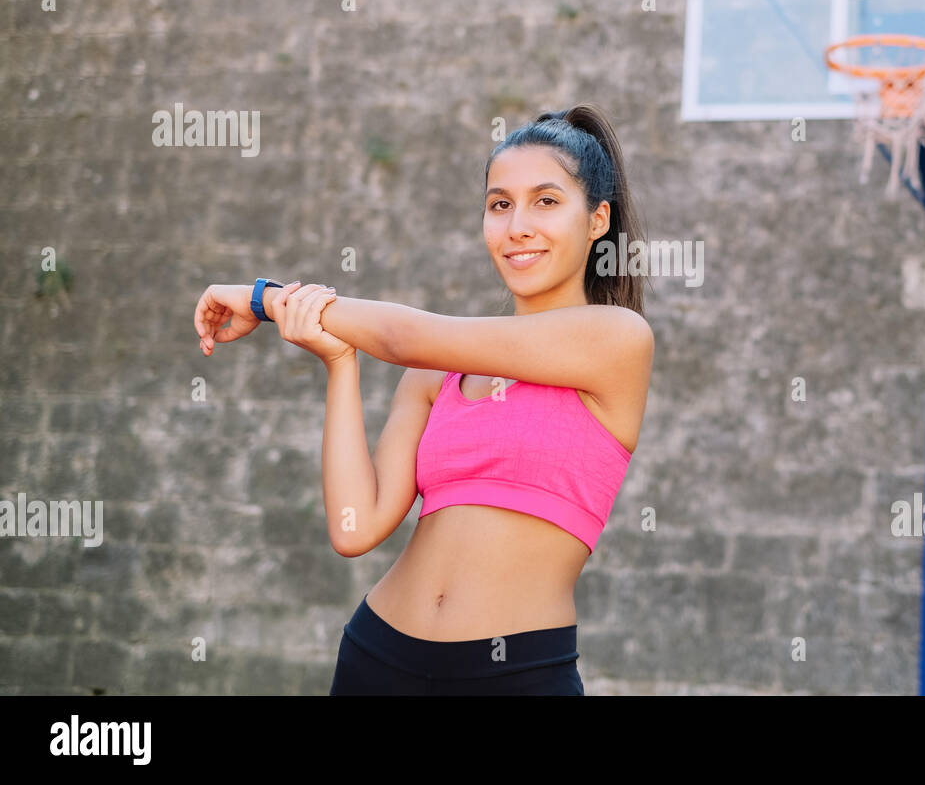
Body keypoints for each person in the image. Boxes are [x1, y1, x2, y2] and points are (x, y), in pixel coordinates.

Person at [192, 104, 654, 694]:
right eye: (499, 204)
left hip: (515, 675)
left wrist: (265, 299)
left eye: (546, 201)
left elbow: (402, 336)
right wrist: (339, 363)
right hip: (379, 658)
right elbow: (354, 529)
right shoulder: (437, 376)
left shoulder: (616, 338)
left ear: (596, 220)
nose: (517, 227)